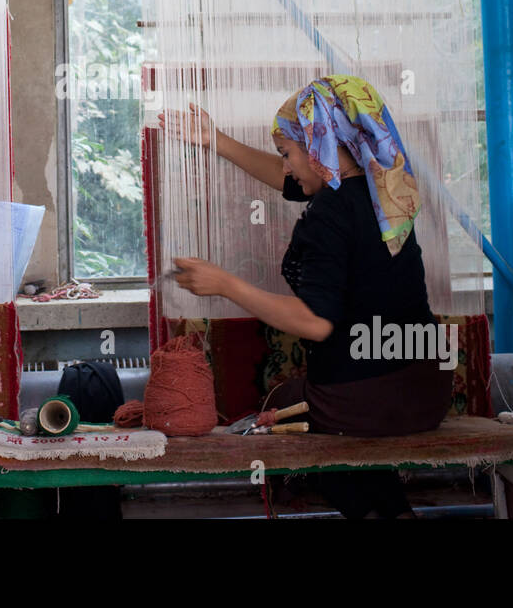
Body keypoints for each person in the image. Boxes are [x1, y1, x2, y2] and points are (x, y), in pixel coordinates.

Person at [161, 75, 452, 519]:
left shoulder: (329, 213)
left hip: (367, 399)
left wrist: (226, 284)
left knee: (281, 410)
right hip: (429, 389)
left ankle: (380, 513)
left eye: (287, 154)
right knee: (341, 427)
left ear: (321, 144)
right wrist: (214, 140)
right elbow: (292, 183)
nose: (286, 167)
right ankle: (393, 512)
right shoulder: (384, 191)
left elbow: (316, 322)